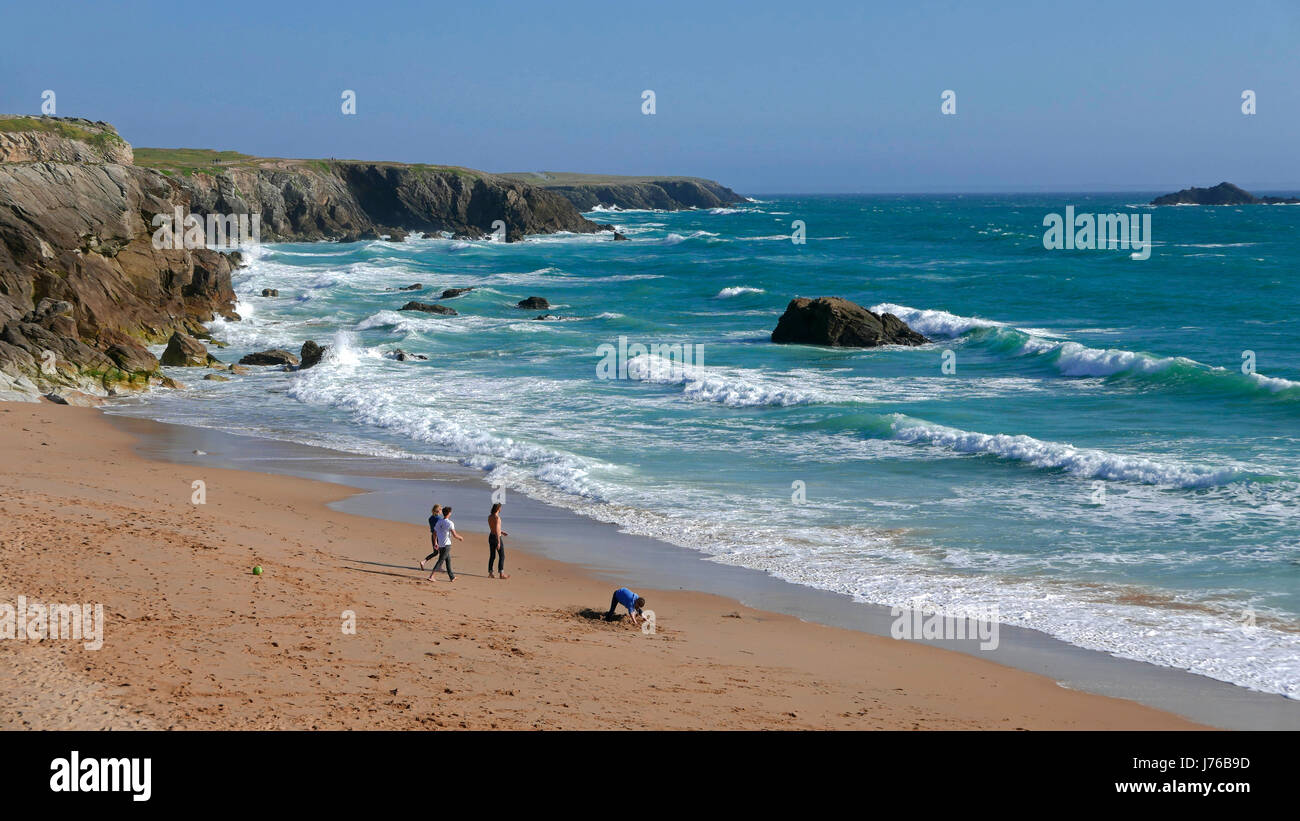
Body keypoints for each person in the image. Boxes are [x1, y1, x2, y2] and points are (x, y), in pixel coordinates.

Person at [427, 505, 463, 582]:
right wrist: (460, 538)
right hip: (447, 545)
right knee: (440, 561)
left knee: (448, 560)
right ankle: (431, 576)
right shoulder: (450, 523)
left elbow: (434, 533)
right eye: (450, 512)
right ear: (449, 513)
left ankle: (452, 577)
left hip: (440, 544)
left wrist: (435, 542)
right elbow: (455, 535)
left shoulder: (439, 521)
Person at [487, 502, 509, 579]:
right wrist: (499, 542)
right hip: (496, 537)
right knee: (502, 556)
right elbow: (496, 529)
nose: (501, 509)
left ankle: (490, 572)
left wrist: (502, 532)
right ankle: (501, 573)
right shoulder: (497, 518)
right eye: (500, 507)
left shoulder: (490, 517)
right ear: (498, 508)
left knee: (492, 556)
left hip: (491, 536)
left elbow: (493, 528)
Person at [419, 505, 443, 570]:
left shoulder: (430, 518)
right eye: (441, 510)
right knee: (442, 552)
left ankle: (423, 562)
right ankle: (439, 567)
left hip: (433, 536)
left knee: (435, 552)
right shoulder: (439, 519)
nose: (442, 511)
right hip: (439, 537)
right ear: (438, 510)